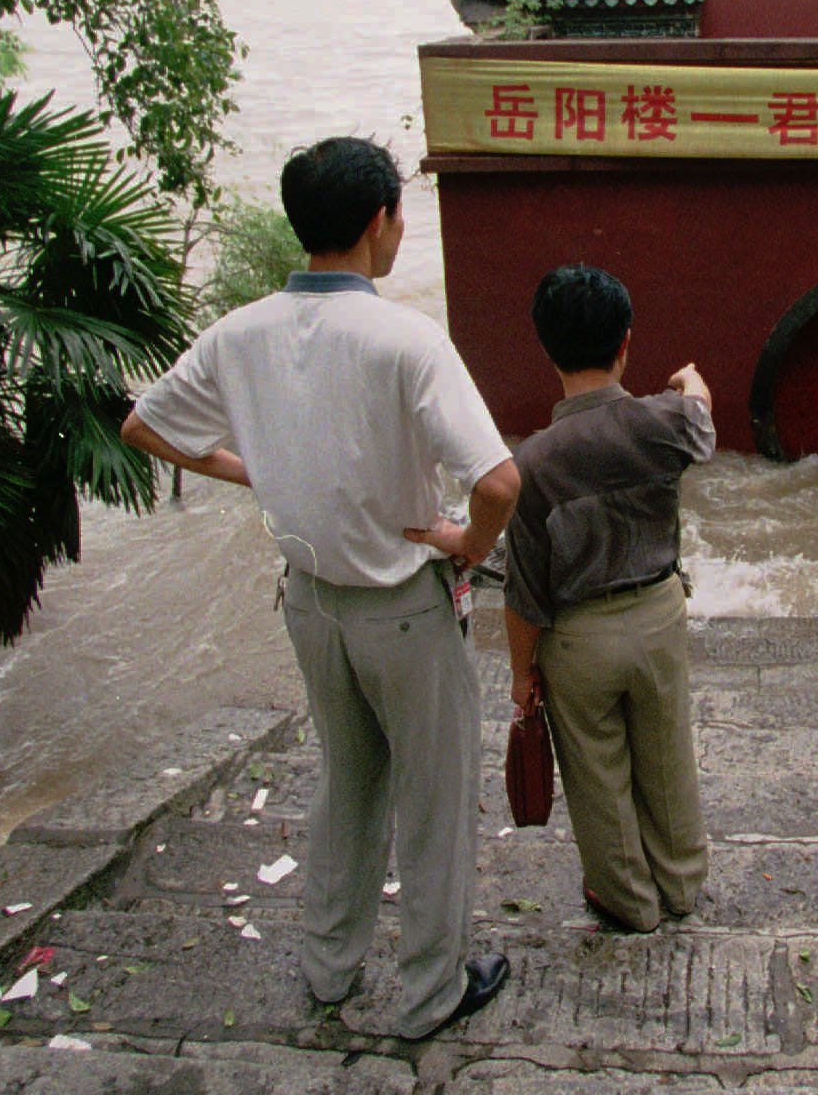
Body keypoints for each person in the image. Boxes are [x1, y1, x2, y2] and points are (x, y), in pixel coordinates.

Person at [120, 136, 520, 1039]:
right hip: (405, 614)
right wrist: (466, 544)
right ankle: (431, 994)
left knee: (346, 784)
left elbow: (144, 426)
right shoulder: (406, 338)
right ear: (380, 222)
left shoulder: (242, 331)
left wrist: (262, 472)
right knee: (434, 797)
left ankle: (330, 968)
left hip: (310, 603)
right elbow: (498, 484)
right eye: (399, 214)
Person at [502, 264, 713, 932]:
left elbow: (525, 589)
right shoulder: (666, 423)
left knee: (596, 778)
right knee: (667, 754)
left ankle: (628, 901)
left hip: (578, 637)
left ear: (546, 347)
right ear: (625, 341)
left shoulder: (531, 464)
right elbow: (701, 415)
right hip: (658, 617)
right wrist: (686, 378)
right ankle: (681, 884)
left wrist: (521, 676)